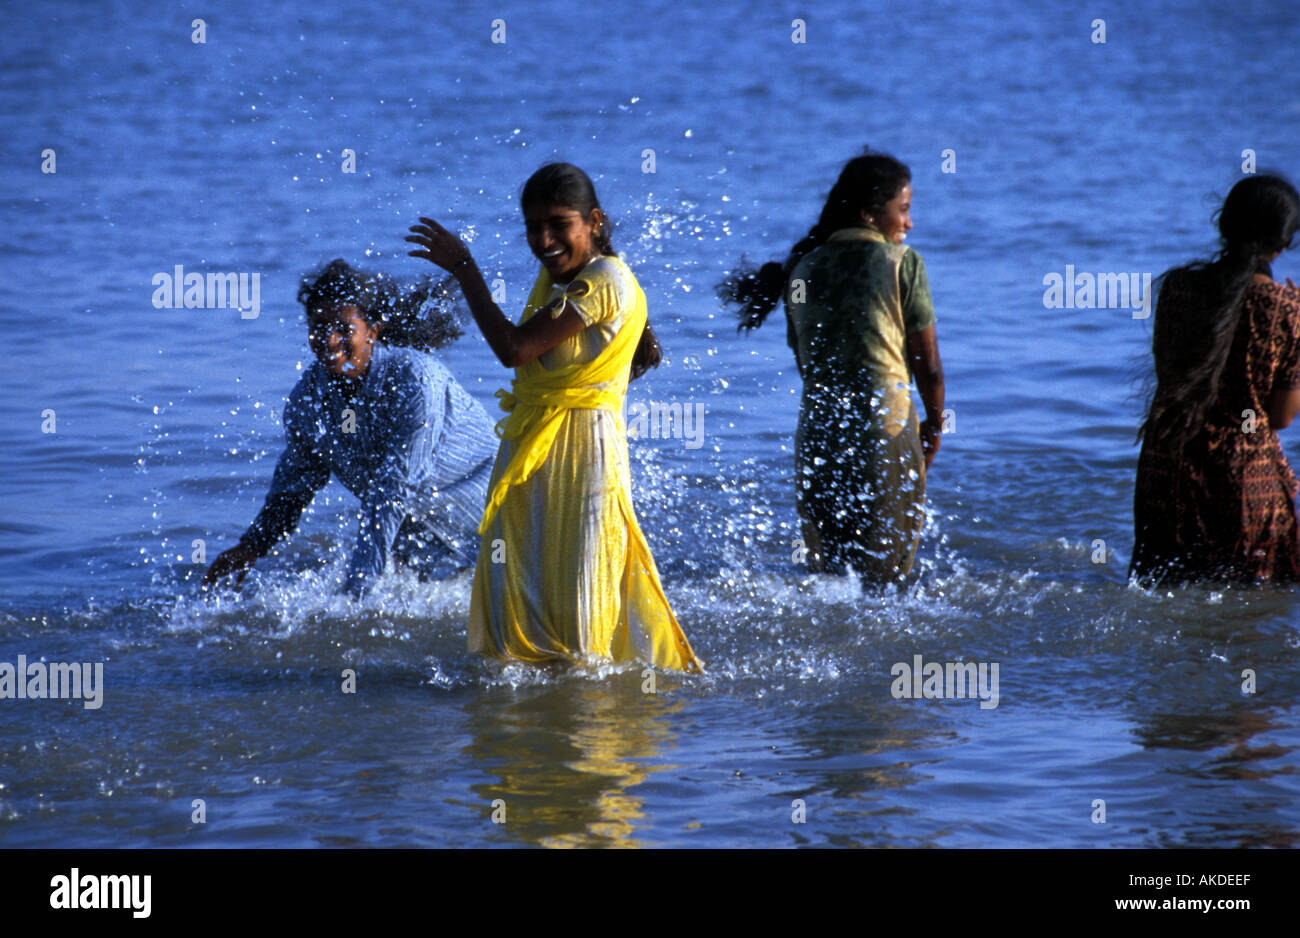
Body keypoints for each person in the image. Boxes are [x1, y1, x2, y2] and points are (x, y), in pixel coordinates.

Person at [405, 162, 701, 672]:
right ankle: (526, 719)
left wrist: (465, 268)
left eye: (558, 224)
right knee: (520, 585)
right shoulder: (563, 279)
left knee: (581, 596)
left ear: (595, 223)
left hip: (586, 456)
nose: (544, 240)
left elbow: (514, 349)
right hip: (536, 448)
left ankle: (588, 724)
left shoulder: (606, 278)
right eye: (533, 228)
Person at [201, 259, 499, 598]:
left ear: (373, 331)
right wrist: (250, 548)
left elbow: (393, 491)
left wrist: (353, 597)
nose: (329, 341)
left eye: (344, 329)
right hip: (423, 551)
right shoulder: (308, 400)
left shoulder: (416, 382)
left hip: (499, 530)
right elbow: (295, 485)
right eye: (318, 327)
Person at [719, 148, 945, 583]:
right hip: (884, 431)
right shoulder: (902, 263)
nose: (909, 223)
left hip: (819, 432)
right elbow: (928, 366)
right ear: (868, 213)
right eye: (903, 210)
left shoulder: (801, 272)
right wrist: (933, 428)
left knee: (829, 577)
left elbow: (808, 362)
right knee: (889, 579)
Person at [1132, 173, 1300, 585]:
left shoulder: (1177, 288)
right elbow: (1281, 417)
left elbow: (1171, 378)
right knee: (1250, 614)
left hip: (1166, 466)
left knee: (1164, 593)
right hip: (1243, 478)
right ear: (1282, 245)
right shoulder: (1285, 308)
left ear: (1224, 226)